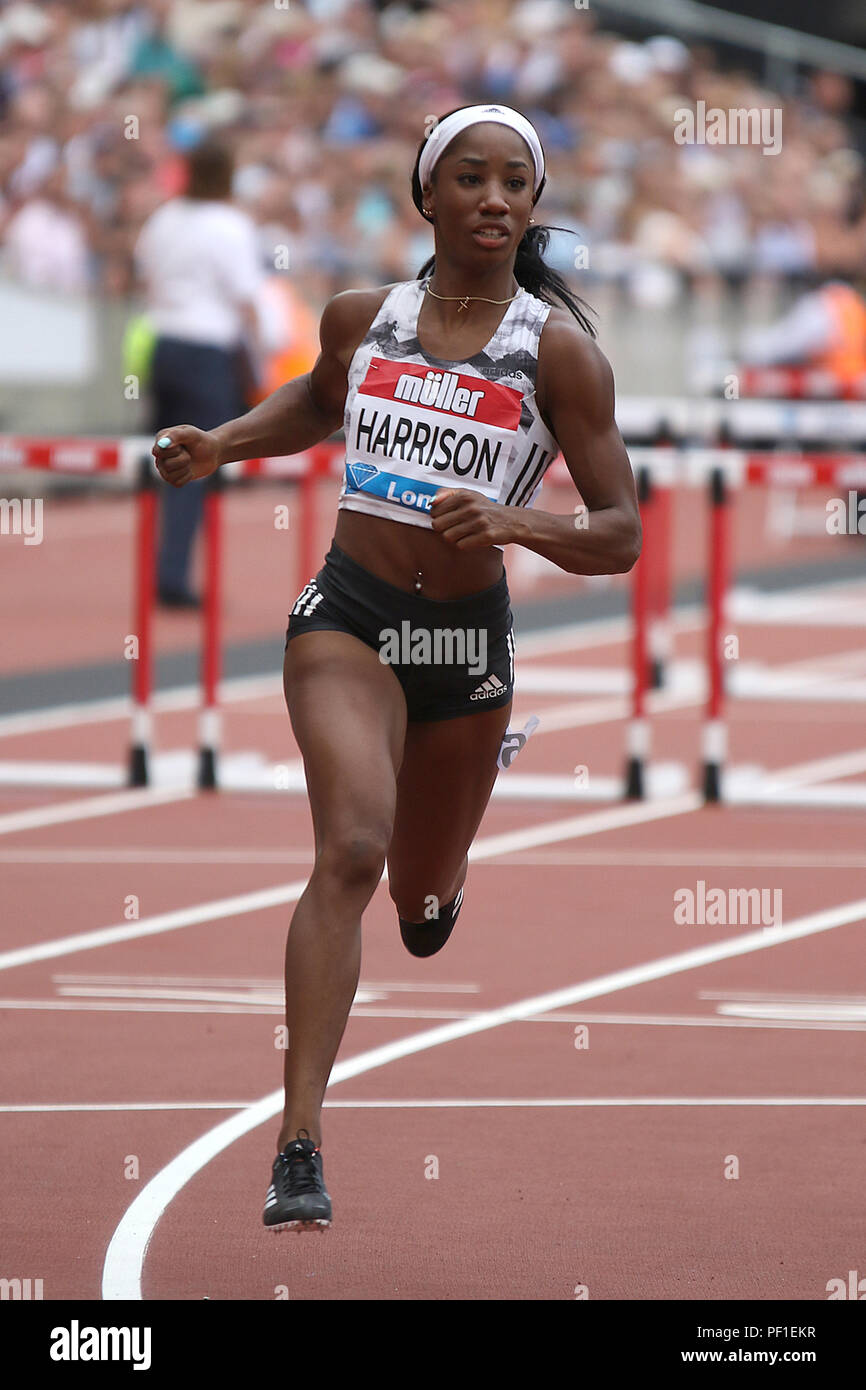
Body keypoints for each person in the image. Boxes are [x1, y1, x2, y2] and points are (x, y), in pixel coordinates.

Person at [151, 104, 641, 1230]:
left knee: (418, 902)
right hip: (352, 617)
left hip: (465, 648)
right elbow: (316, 406)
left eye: (515, 182)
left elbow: (619, 532)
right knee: (351, 849)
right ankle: (299, 1141)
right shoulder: (362, 318)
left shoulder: (558, 353)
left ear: (534, 203)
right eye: (467, 178)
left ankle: (443, 883)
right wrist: (219, 443)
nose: (493, 199)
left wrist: (516, 528)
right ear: (426, 196)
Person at [134, 136, 264, 607]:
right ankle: (174, 576)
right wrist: (263, 358)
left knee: (160, 458)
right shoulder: (230, 225)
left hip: (162, 344)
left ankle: (164, 563)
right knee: (198, 461)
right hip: (207, 352)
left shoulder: (164, 219)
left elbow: (145, 278)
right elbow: (247, 300)